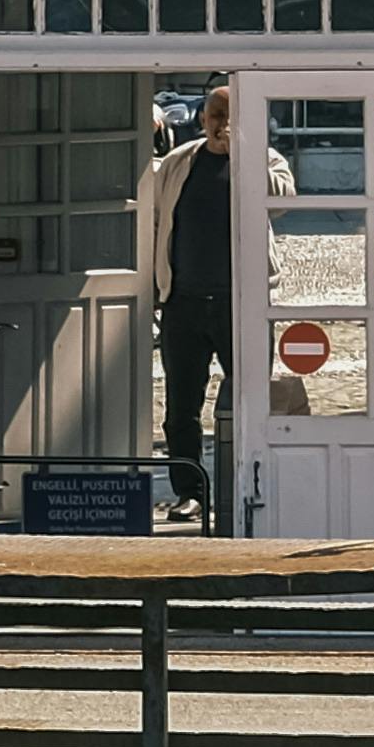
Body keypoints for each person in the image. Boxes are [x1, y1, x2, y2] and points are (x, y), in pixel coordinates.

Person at [142, 85, 240, 521]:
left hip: (239, 302)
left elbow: (282, 199)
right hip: (182, 300)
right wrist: (152, 287)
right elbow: (158, 221)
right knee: (182, 405)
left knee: (250, 397)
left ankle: (245, 489)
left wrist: (238, 155)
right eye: (214, 115)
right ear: (201, 119)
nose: (220, 124)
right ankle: (191, 491)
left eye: (228, 115)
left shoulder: (263, 158)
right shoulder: (180, 161)